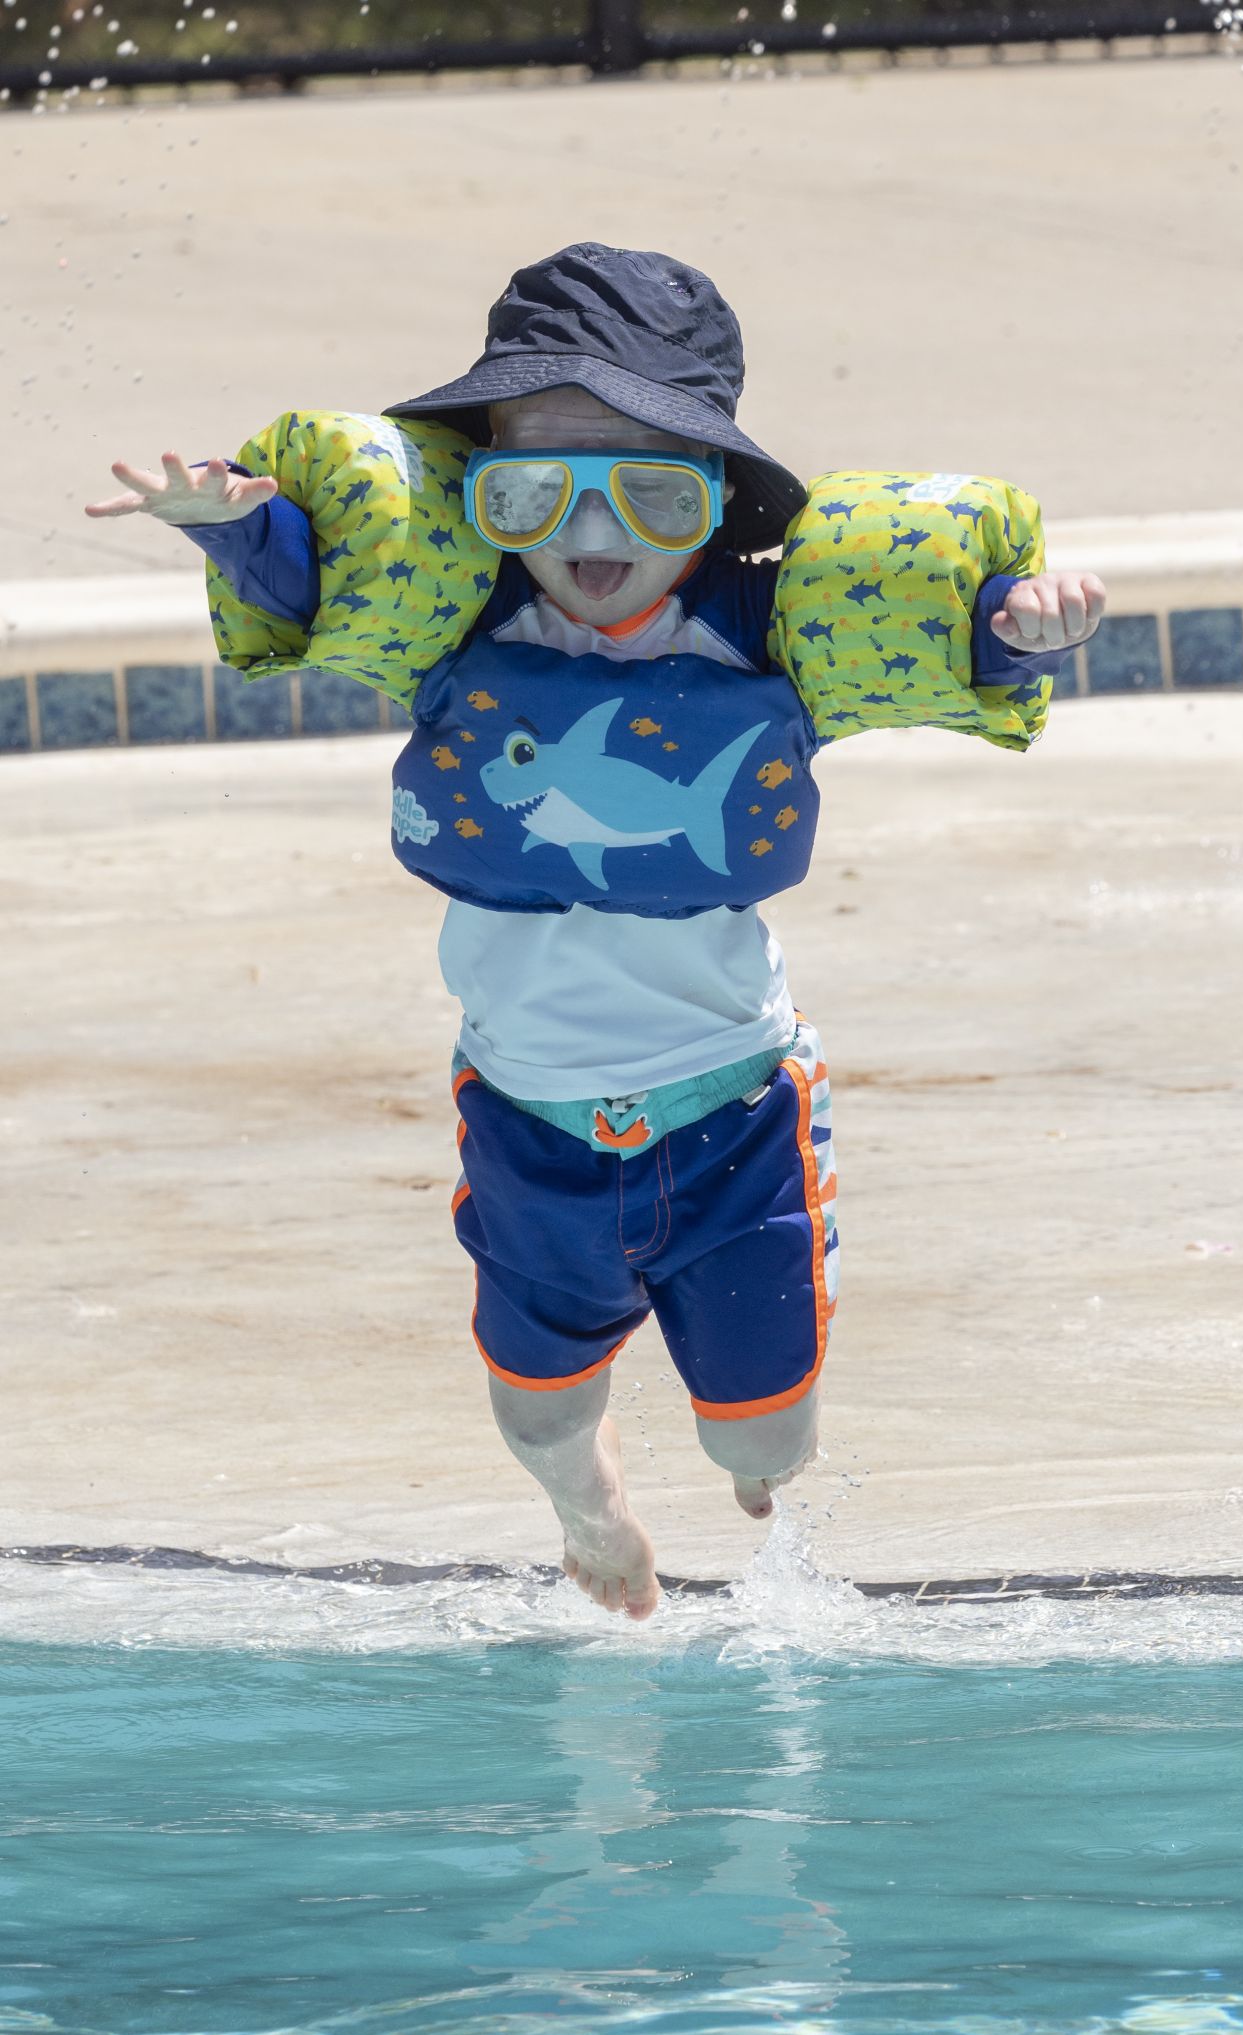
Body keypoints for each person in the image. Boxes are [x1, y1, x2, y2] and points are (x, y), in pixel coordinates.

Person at [86, 243, 1106, 1622]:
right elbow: (299, 578)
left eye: (647, 489)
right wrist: (227, 527)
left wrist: (1019, 632)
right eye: (528, 490)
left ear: (716, 498)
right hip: (527, 1120)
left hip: (734, 1110)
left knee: (764, 1442)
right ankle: (592, 1511)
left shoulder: (772, 640)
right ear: (479, 495)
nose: (588, 532)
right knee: (536, 1413)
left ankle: (742, 1458)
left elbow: (948, 640)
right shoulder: (455, 624)